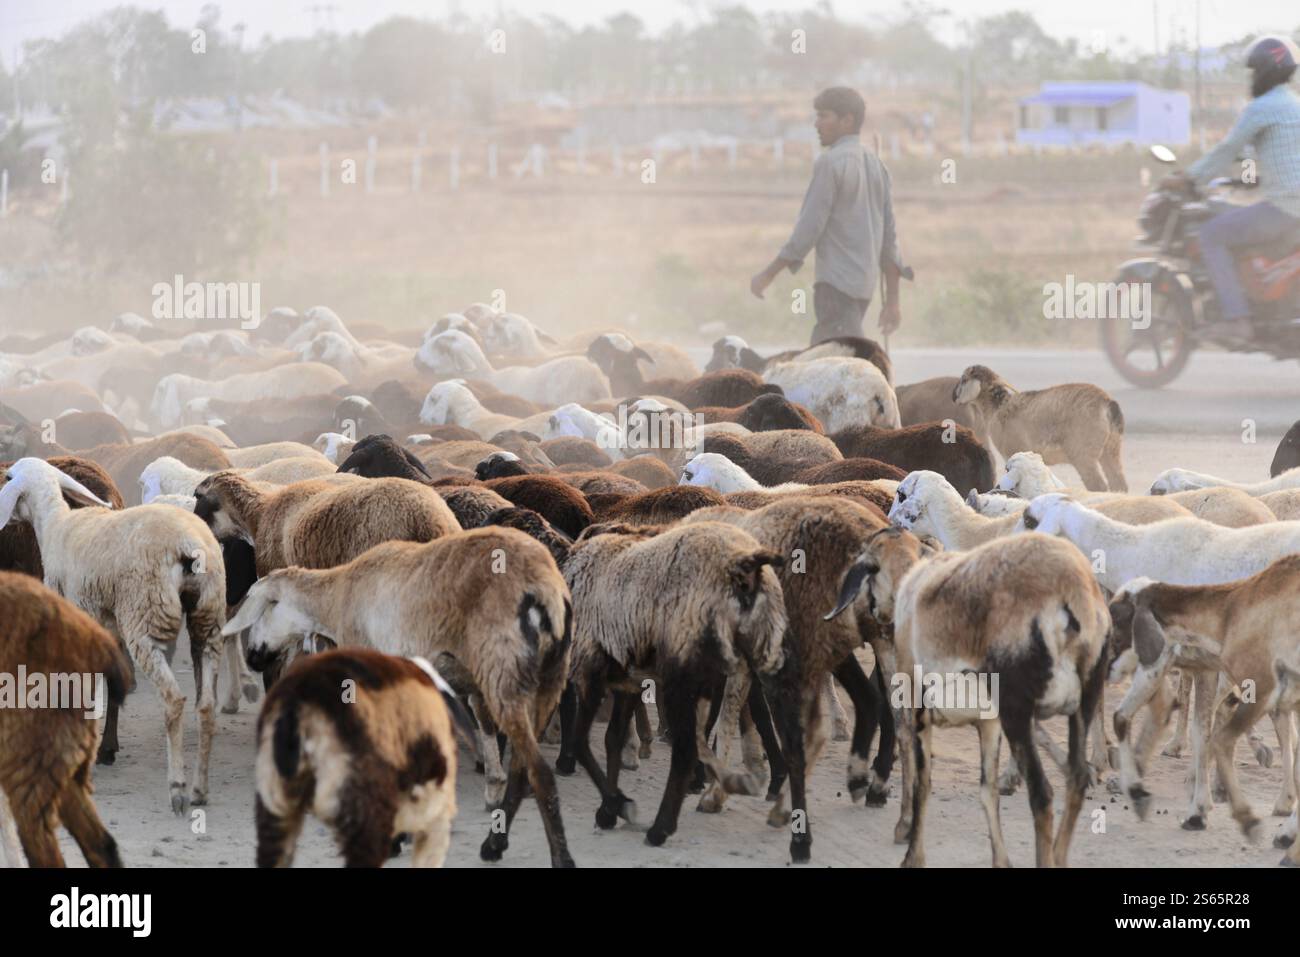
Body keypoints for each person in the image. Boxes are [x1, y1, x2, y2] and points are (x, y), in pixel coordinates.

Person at [750, 86, 905, 345]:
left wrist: (768, 274)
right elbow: (891, 243)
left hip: (836, 287)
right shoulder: (877, 166)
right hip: (863, 289)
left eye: (824, 116)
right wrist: (893, 302)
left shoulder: (830, 163)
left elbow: (808, 230)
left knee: (828, 368)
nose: (816, 124)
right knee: (842, 360)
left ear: (847, 120)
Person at [1174, 35, 1300, 342]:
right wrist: (1244, 179)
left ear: (1267, 71)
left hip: (1283, 209)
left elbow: (1228, 149)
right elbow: (1255, 155)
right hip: (1289, 207)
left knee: (1211, 234)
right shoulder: (1294, 106)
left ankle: (1236, 318)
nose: (1253, 78)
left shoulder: (1262, 107)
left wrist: (1190, 178)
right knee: (1235, 218)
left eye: (1255, 71)